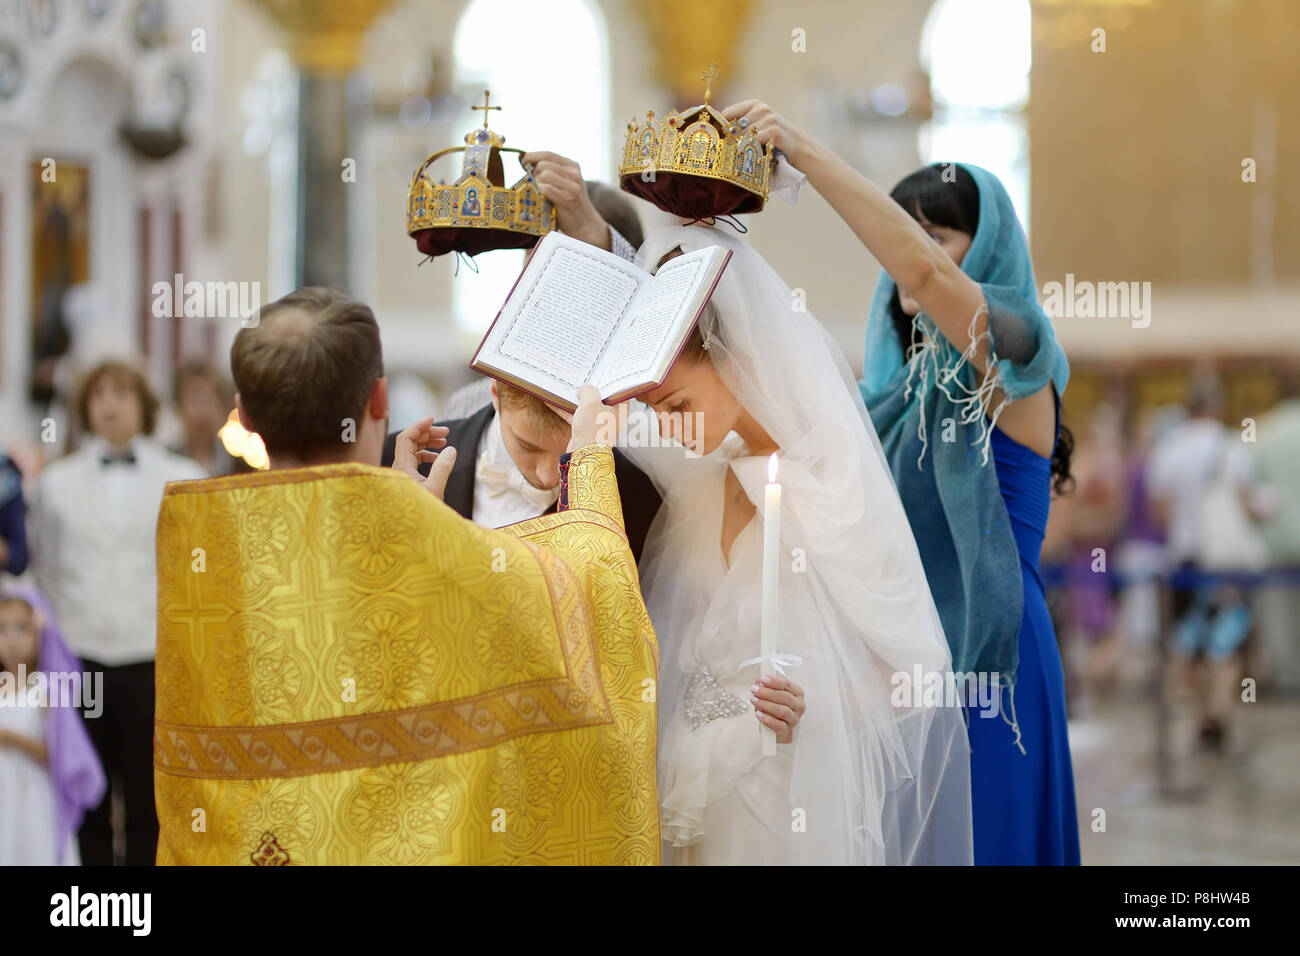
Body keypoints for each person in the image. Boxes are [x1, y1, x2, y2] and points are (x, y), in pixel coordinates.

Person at [153, 287, 660, 865]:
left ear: (242, 415)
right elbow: (594, 594)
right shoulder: (435, 547)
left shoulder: (205, 553)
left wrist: (407, 515)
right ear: (379, 400)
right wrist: (589, 461)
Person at [724, 100, 1080, 864]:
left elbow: (920, 272)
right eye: (909, 232)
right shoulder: (893, 394)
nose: (916, 255)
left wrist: (806, 152)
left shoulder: (1015, 355)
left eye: (940, 234)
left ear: (982, 251)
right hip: (906, 664)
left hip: (993, 667)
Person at [627, 225, 973, 865]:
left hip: (792, 796)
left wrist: (810, 705)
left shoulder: (831, 483)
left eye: (676, 403)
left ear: (734, 361)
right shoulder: (701, 479)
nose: (667, 427)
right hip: (696, 789)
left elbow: (914, 674)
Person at [30, 360, 205, 865]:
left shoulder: (183, 479)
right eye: (99, 393)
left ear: (144, 405)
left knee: (151, 800)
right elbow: (46, 572)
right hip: (79, 659)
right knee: (89, 796)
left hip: (152, 659)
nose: (110, 403)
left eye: (123, 392)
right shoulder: (54, 485)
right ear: (84, 406)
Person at [382, 380, 660, 560]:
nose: (549, 477)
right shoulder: (391, 464)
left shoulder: (637, 498)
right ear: (495, 395)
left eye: (568, 454)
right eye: (528, 447)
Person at [0, 587, 106, 865]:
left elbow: (60, 756)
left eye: (22, 628)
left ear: (40, 635)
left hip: (34, 795)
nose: (11, 639)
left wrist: (13, 739)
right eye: (2, 629)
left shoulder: (46, 690)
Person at [171, 360, 243, 477]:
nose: (204, 407)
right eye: (196, 397)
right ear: (179, 406)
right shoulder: (166, 461)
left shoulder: (238, 465)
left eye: (211, 398)